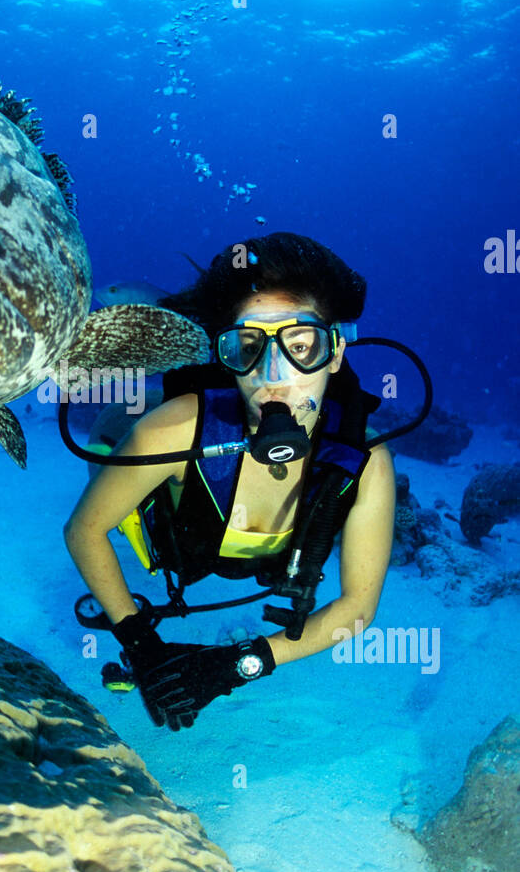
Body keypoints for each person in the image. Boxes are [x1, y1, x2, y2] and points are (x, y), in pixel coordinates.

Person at [63, 233, 396, 731]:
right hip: (139, 443)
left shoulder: (363, 461)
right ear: (228, 356)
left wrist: (235, 665)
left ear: (335, 353)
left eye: (301, 346)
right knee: (118, 432)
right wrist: (141, 645)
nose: (273, 376)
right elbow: (84, 530)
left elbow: (356, 608)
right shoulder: (174, 430)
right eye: (249, 347)